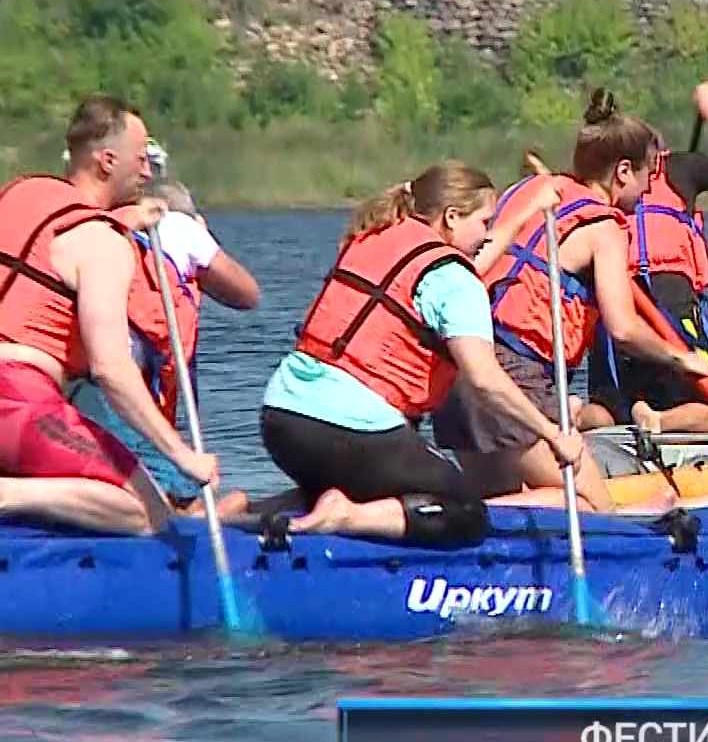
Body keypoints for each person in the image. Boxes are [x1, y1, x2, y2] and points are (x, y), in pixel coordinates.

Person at [256, 161, 588, 542]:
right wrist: (552, 434)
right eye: (484, 222)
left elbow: (465, 259)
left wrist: (527, 213)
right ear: (451, 216)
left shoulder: (373, 238)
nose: (487, 234)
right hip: (347, 429)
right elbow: (485, 380)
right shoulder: (454, 280)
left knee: (356, 483)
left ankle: (251, 514)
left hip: (281, 418)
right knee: (465, 510)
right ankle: (346, 517)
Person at [433, 89, 708, 510]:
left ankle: (452, 523)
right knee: (593, 505)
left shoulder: (536, 189)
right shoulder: (604, 228)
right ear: (622, 172)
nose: (648, 189)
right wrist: (681, 357)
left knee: (496, 508)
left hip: (458, 368)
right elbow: (622, 328)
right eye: (648, 177)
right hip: (514, 375)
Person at [0, 95, 218, 534]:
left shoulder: (20, 193)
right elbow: (112, 371)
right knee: (147, 513)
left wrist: (124, 218)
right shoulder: (104, 245)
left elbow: (52, 241)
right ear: (107, 160)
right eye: (140, 159)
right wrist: (182, 456)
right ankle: (9, 495)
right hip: (15, 402)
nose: (147, 172)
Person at [69, 164, 261, 520]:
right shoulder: (178, 226)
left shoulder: (95, 226)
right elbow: (247, 294)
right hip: (109, 384)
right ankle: (205, 514)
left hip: (74, 378)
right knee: (177, 496)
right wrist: (203, 239)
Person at [583, 82, 708, 435]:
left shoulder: (591, 184)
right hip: (670, 302)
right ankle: (659, 420)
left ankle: (577, 417)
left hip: (613, 300)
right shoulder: (679, 167)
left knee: (607, 411)